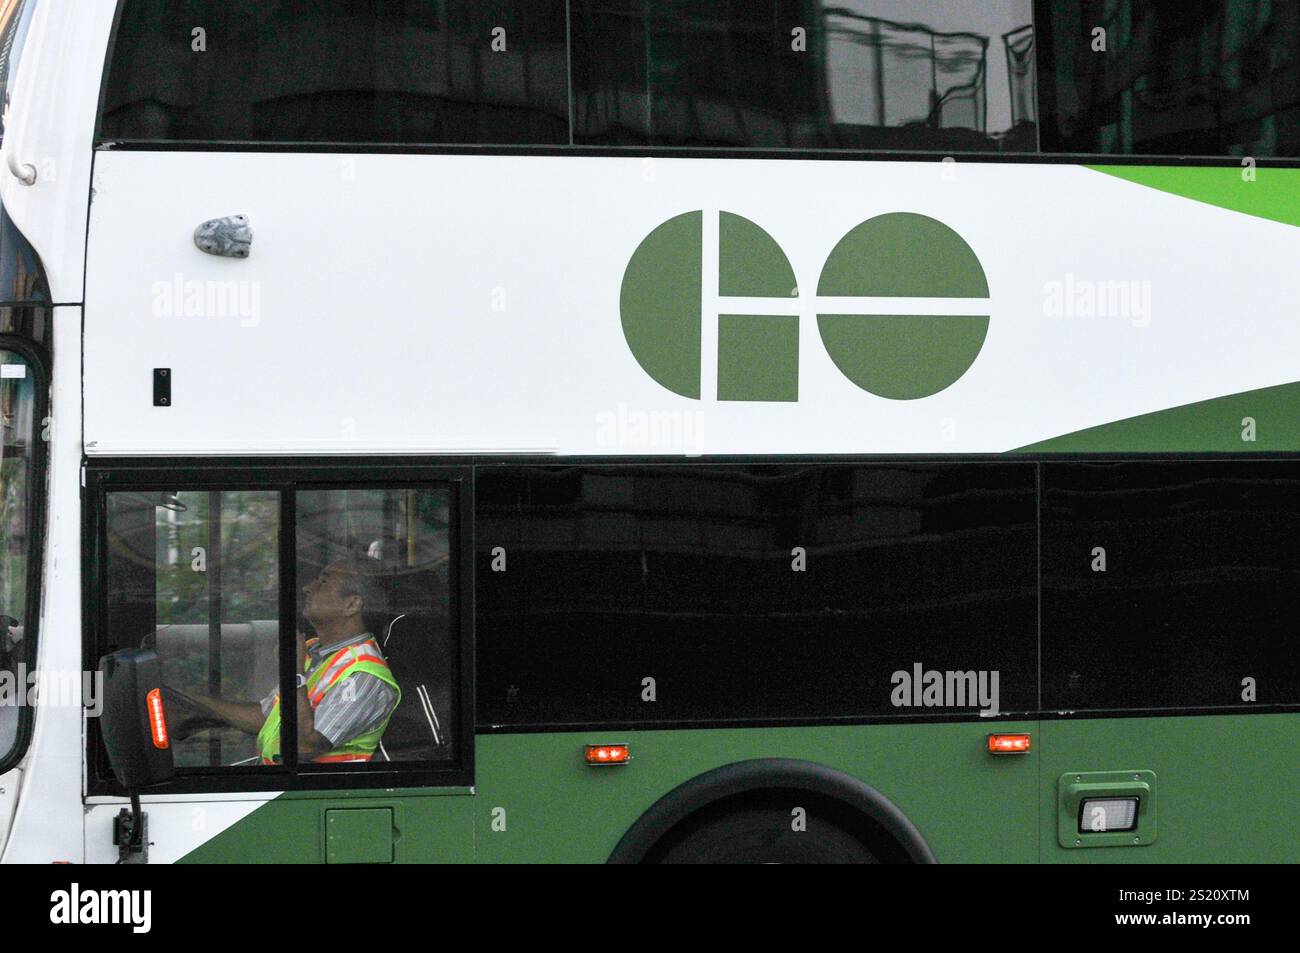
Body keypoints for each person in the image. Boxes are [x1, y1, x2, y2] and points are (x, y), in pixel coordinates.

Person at [167, 560, 400, 764]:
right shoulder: (315, 652)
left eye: (323, 582)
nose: (308, 588)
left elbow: (305, 746)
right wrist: (196, 704)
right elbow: (270, 716)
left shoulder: (363, 675)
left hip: (314, 798)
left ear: (352, 605)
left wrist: (295, 674)